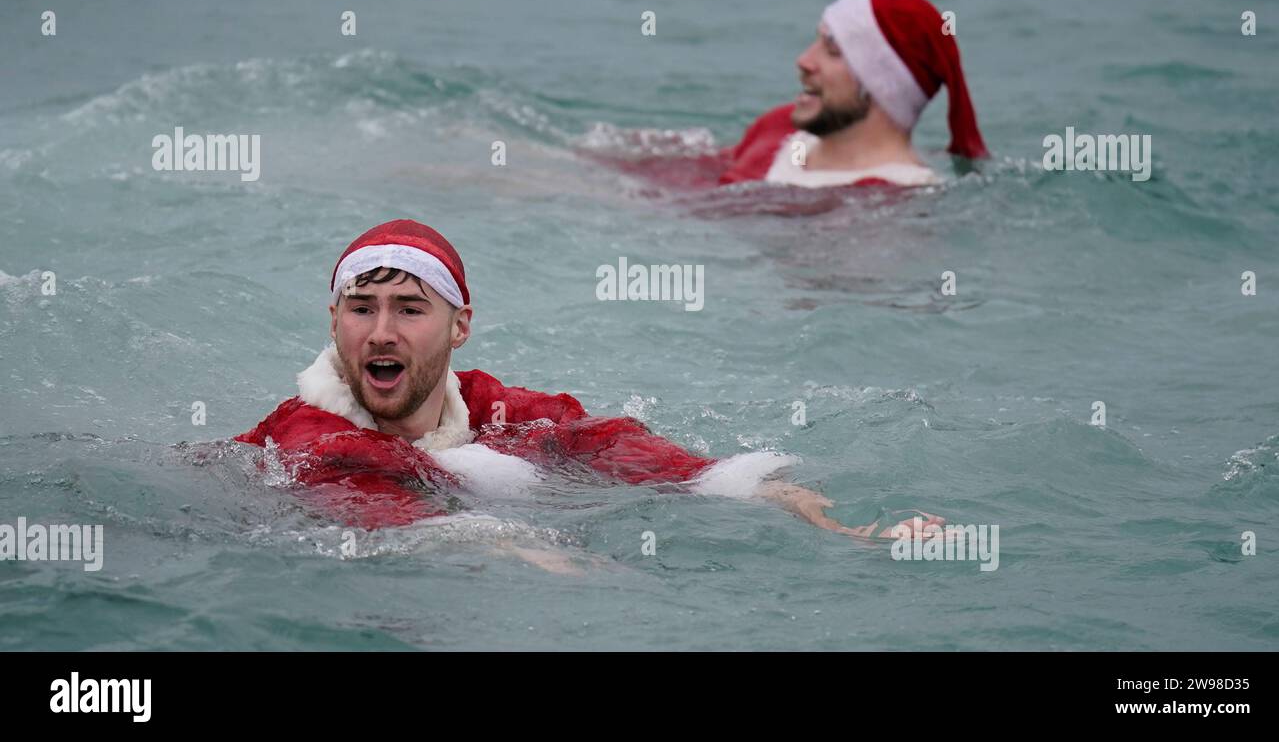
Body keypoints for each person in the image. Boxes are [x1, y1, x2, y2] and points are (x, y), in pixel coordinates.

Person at [235, 219, 942, 539]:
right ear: (334, 323)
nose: (382, 331)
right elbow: (359, 488)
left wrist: (764, 490)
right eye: (361, 309)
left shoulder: (494, 409)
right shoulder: (305, 431)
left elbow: (603, 441)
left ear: (460, 326)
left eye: (409, 309)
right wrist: (503, 542)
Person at [717, 0, 989, 189]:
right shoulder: (779, 129)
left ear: (882, 87)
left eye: (833, 51)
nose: (804, 61)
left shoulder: (892, 204)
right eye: (817, 42)